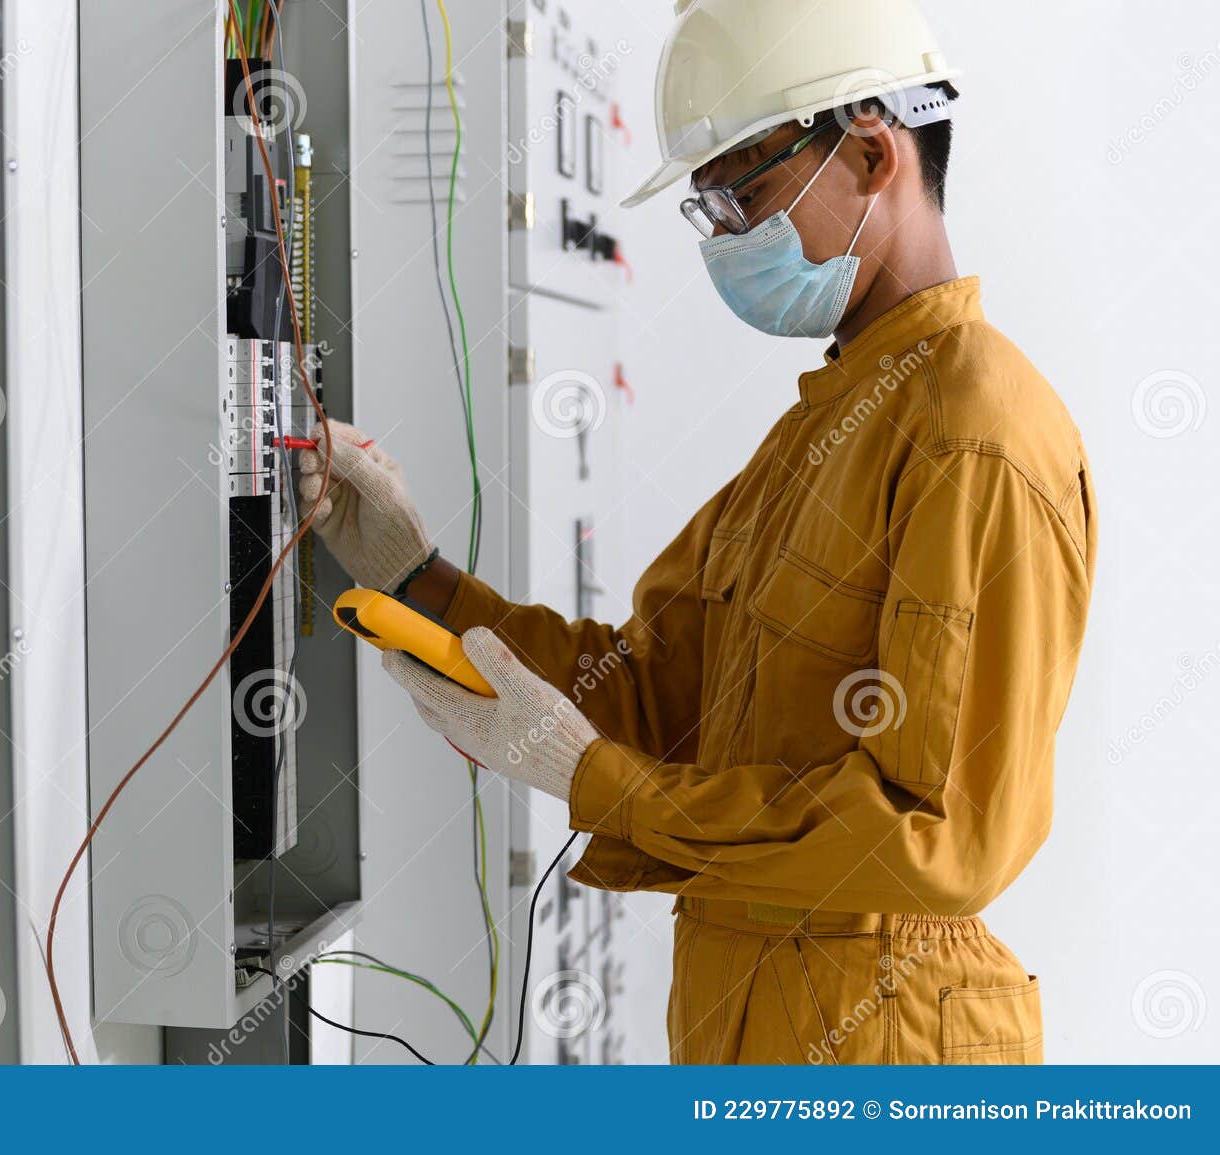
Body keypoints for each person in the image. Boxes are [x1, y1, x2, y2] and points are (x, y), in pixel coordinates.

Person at [298, 0, 1095, 1065]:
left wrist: (596, 782)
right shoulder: (823, 428)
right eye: (707, 207)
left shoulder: (973, 433)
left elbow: (936, 832)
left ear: (868, 153)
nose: (725, 237)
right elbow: (650, 695)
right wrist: (415, 575)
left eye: (746, 195)